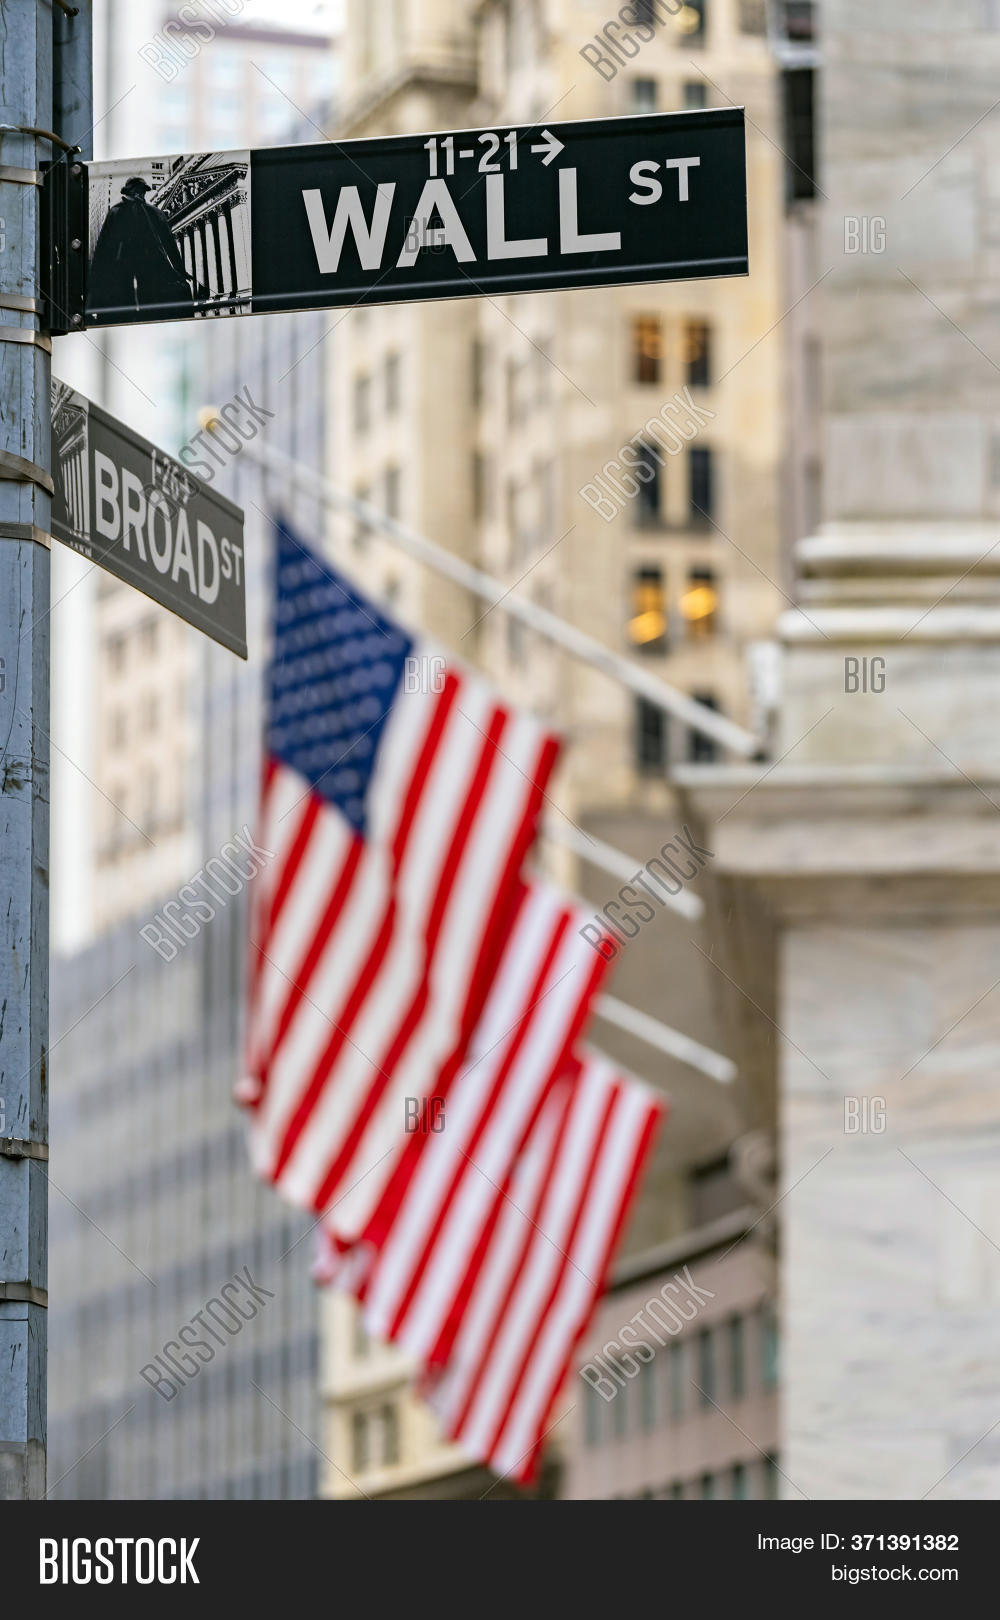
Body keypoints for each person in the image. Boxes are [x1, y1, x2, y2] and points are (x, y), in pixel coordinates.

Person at [88, 176, 199, 319]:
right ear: (129, 191)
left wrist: (180, 270)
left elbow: (169, 243)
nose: (141, 194)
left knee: (155, 305)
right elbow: (103, 250)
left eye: (143, 191)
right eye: (138, 190)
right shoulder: (115, 212)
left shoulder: (154, 212)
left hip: (152, 268)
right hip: (123, 270)